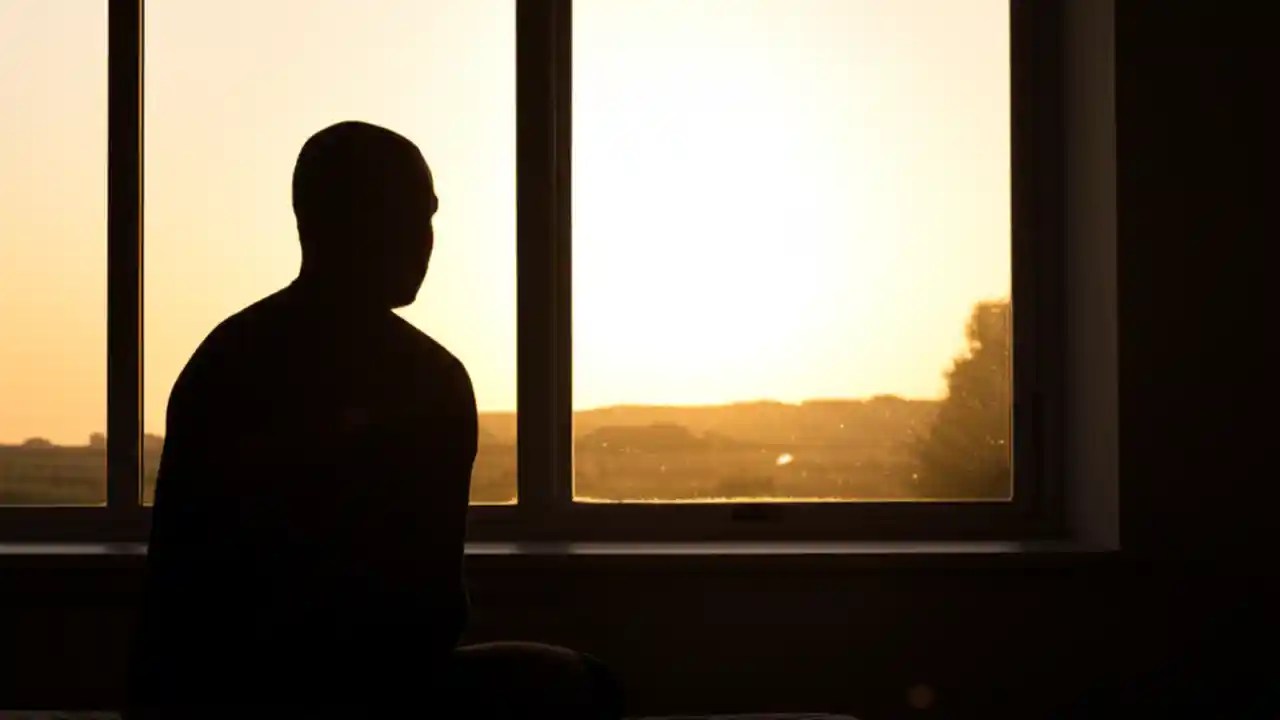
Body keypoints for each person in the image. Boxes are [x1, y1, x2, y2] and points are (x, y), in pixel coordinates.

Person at [128, 121, 622, 719]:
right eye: (410, 214)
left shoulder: (225, 355)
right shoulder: (425, 378)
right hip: (358, 694)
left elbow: (178, 594)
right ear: (346, 221)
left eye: (429, 216)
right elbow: (425, 617)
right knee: (586, 687)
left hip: (200, 693)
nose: (426, 240)